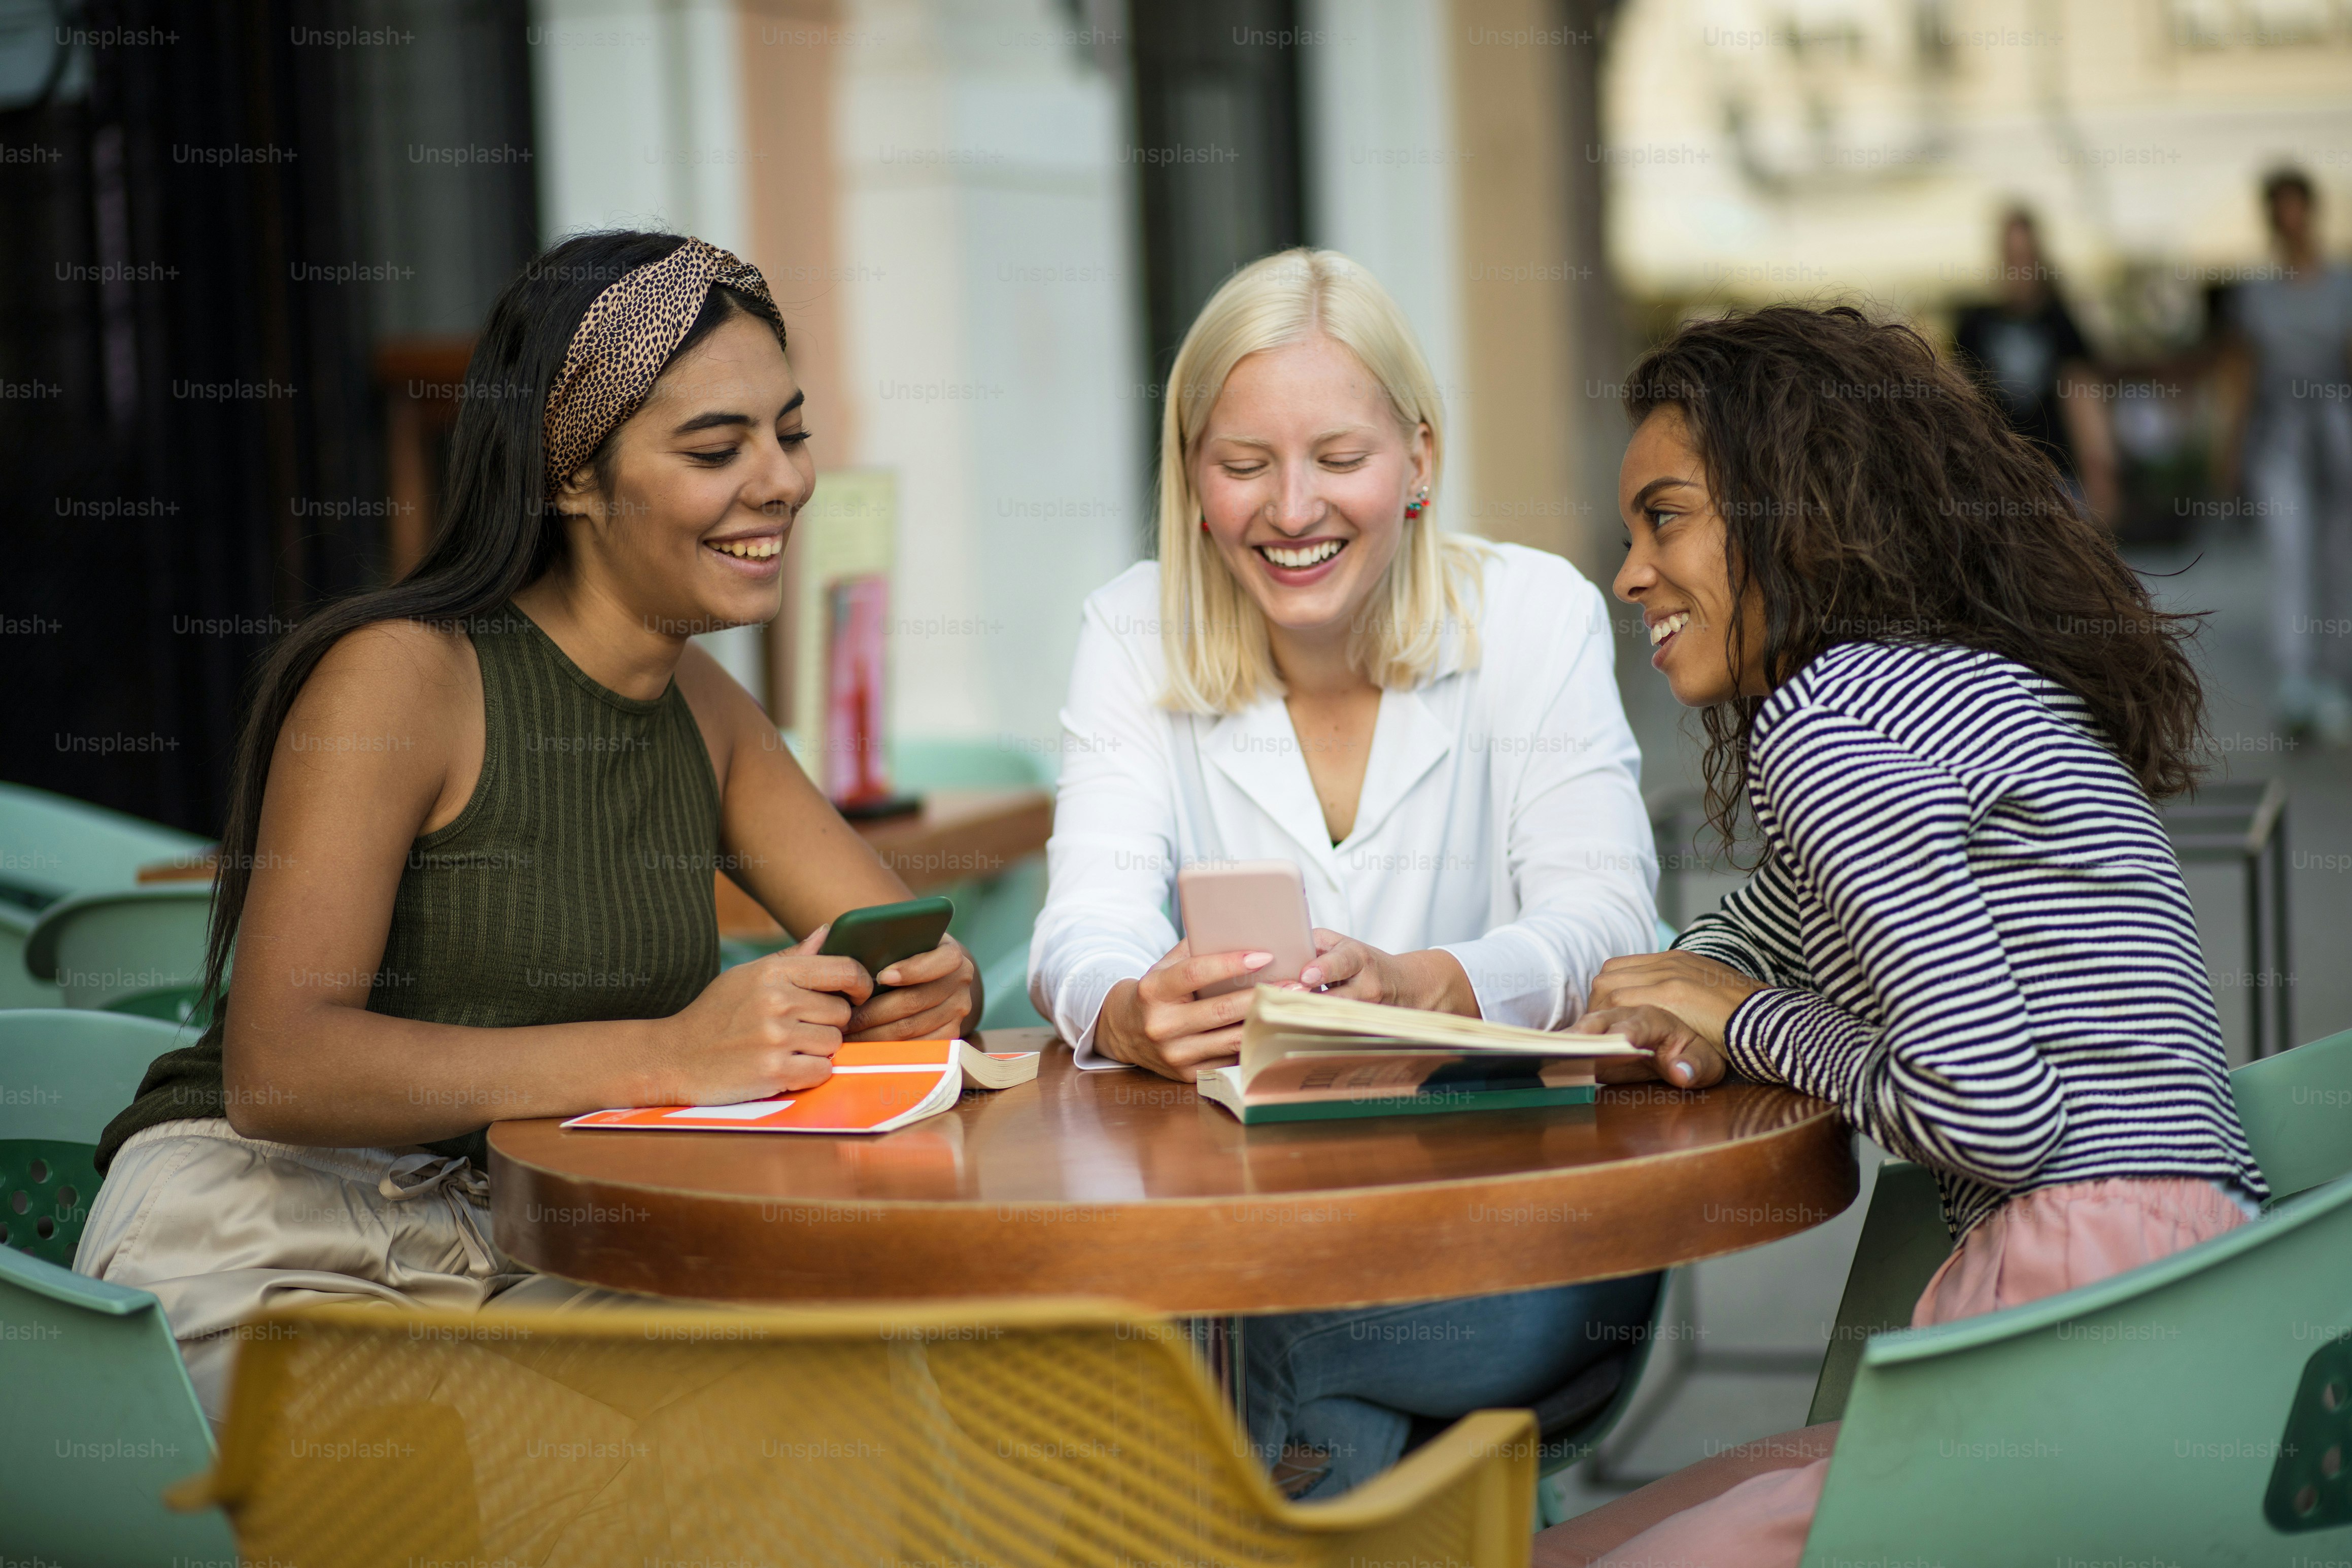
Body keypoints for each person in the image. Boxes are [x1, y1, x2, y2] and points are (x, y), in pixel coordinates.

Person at [77, 231, 978, 1421]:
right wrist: (673, 1052)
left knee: (861, 1388)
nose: (783, 481)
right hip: (274, 1241)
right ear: (569, 477)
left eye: (792, 432)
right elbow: (280, 1070)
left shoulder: (706, 709)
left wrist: (933, 988)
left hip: (525, 1247)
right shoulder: (403, 676)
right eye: (718, 448)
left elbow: (895, 941)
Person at [1532, 305, 2270, 1568]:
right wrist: (1680, 987)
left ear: (1792, 507)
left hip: (2076, 1303)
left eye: (1665, 519)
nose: (1629, 575)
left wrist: (1742, 1021)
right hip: (2178, 1296)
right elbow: (1768, 923)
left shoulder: (1829, 730)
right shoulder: (1928, 686)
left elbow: (1989, 1112)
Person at [1027, 247, 1663, 1499]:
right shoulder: (1133, 628)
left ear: (1418, 459)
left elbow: (1607, 919)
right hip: (1248, 1222)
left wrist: (1432, 985)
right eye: (1243, 464)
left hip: (1523, 1233)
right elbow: (1079, 929)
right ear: (1191, 476)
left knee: (1243, 1340)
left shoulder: (1534, 613)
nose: (1291, 508)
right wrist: (1129, 1009)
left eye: (1338, 457)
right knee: (1302, 1371)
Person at [2220, 166, 2352, 744]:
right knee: (2290, 553)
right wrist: (2230, 451)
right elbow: (2242, 375)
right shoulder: (2257, 293)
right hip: (2279, 435)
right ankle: (2295, 678)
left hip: (2338, 428)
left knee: (2340, 558)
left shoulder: (2342, 284)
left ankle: (2335, 676)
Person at [1951, 207, 2120, 524]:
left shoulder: (2059, 323)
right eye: (2013, 257)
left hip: (2057, 480)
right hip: (1996, 480)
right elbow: (1960, 398)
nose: (2020, 268)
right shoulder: (1975, 325)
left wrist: (2099, 471)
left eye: (2026, 257)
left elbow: (2083, 397)